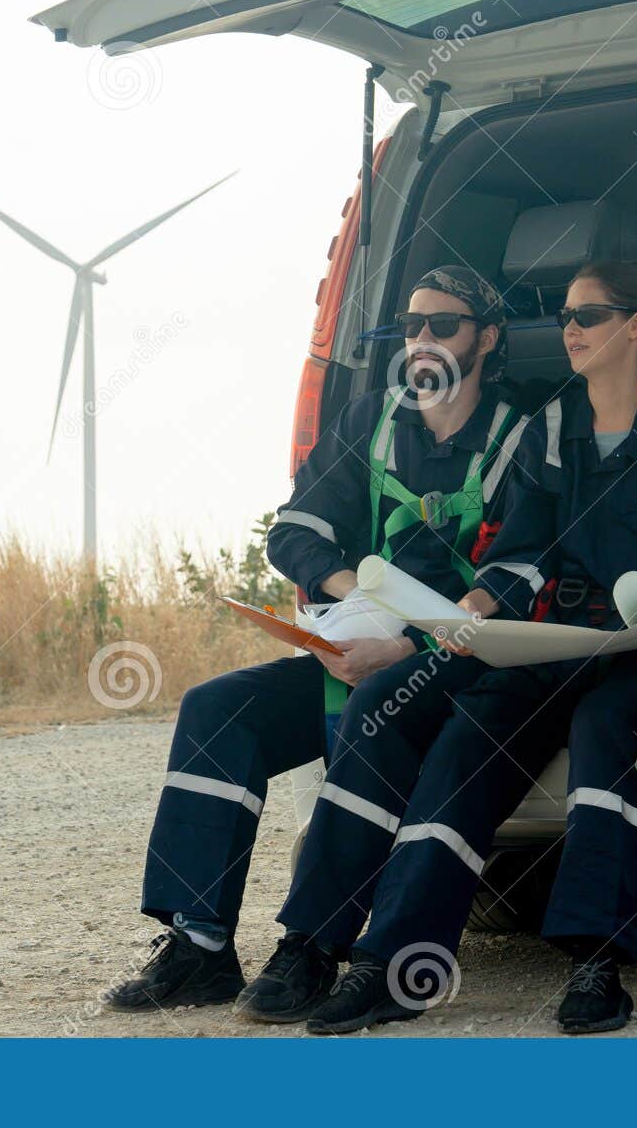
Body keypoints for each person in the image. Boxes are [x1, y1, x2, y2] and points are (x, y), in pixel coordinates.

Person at [268, 261, 637, 1035]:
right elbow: (520, 551)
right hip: (545, 638)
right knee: (410, 712)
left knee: (597, 731)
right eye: (563, 315)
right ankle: (373, 958)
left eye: (588, 313)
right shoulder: (551, 427)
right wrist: (469, 619)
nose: (570, 329)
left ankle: (596, 962)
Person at [102, 265, 552, 1015]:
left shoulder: (518, 437)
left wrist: (405, 640)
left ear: (488, 338)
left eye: (444, 324)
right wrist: (356, 602)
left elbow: (517, 573)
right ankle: (199, 944)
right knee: (217, 709)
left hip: (458, 659)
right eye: (412, 325)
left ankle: (313, 946)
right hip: (360, 644)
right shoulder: (370, 422)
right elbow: (296, 529)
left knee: (375, 704)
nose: (423, 340)